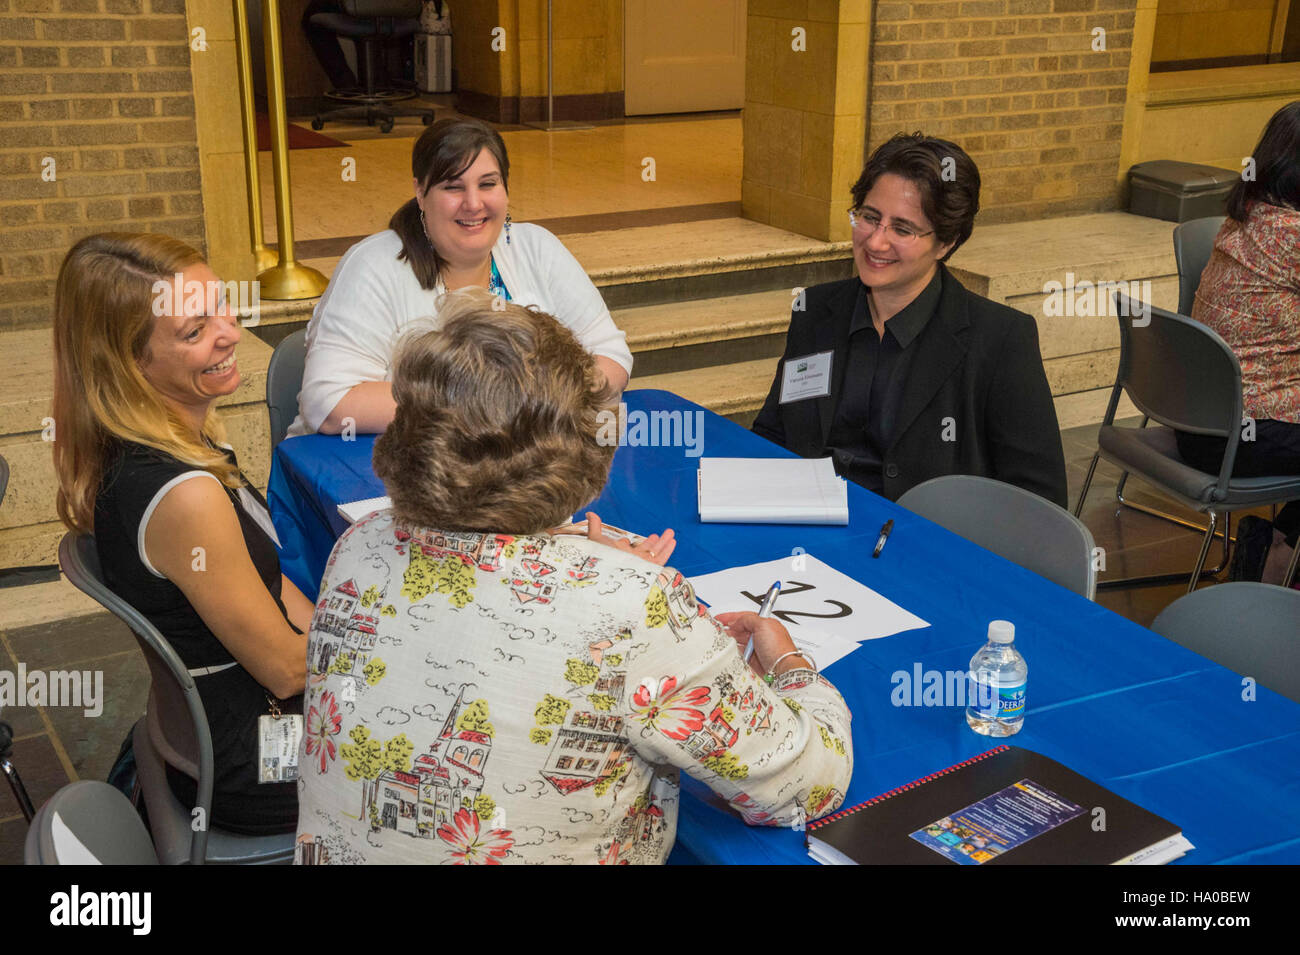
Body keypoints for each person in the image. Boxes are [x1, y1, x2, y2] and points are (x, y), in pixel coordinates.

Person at [293, 289, 853, 864]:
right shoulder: (636, 606)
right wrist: (790, 664)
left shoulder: (359, 545)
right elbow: (803, 786)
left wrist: (596, 574)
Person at [52, 234, 314, 834]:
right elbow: (285, 671)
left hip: (209, 732)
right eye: (195, 331)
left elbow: (273, 588)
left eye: (221, 307)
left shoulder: (156, 444)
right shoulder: (185, 495)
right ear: (129, 363)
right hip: (259, 762)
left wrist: (343, 630)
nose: (229, 333)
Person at [752, 132, 1068, 509]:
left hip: (924, 538)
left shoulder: (1000, 340)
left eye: (902, 229)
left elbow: (1039, 501)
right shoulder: (815, 310)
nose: (875, 242)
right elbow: (773, 434)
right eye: (869, 217)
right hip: (807, 526)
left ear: (946, 243)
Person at [288, 117, 632, 437]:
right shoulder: (372, 266)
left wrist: (537, 404)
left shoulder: (538, 248)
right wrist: (492, 404)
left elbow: (611, 354)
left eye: (488, 184)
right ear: (420, 193)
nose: (473, 203)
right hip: (380, 463)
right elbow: (330, 405)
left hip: (516, 459)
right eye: (453, 187)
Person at [1178, 101, 1300, 584]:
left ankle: (1277, 549)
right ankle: (1279, 557)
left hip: (1199, 418)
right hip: (1242, 436)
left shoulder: (1248, 214)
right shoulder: (1293, 234)